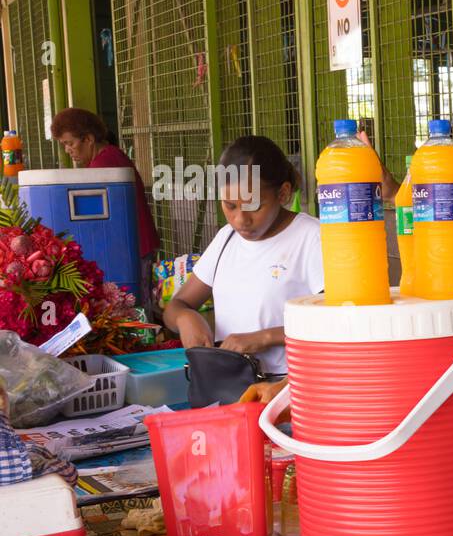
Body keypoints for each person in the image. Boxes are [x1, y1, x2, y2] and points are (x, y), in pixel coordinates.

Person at [162, 136, 322, 376]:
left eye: (254, 206)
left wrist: (265, 337)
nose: (240, 220)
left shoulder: (312, 238)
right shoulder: (226, 238)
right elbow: (175, 305)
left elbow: (338, 321)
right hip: (232, 383)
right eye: (230, 206)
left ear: (283, 193)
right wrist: (185, 318)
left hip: (289, 387)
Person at [51, 107, 161, 259]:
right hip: (132, 245)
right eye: (64, 145)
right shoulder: (105, 157)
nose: (67, 150)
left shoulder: (104, 164)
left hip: (131, 249)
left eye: (70, 143)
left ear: (88, 139)